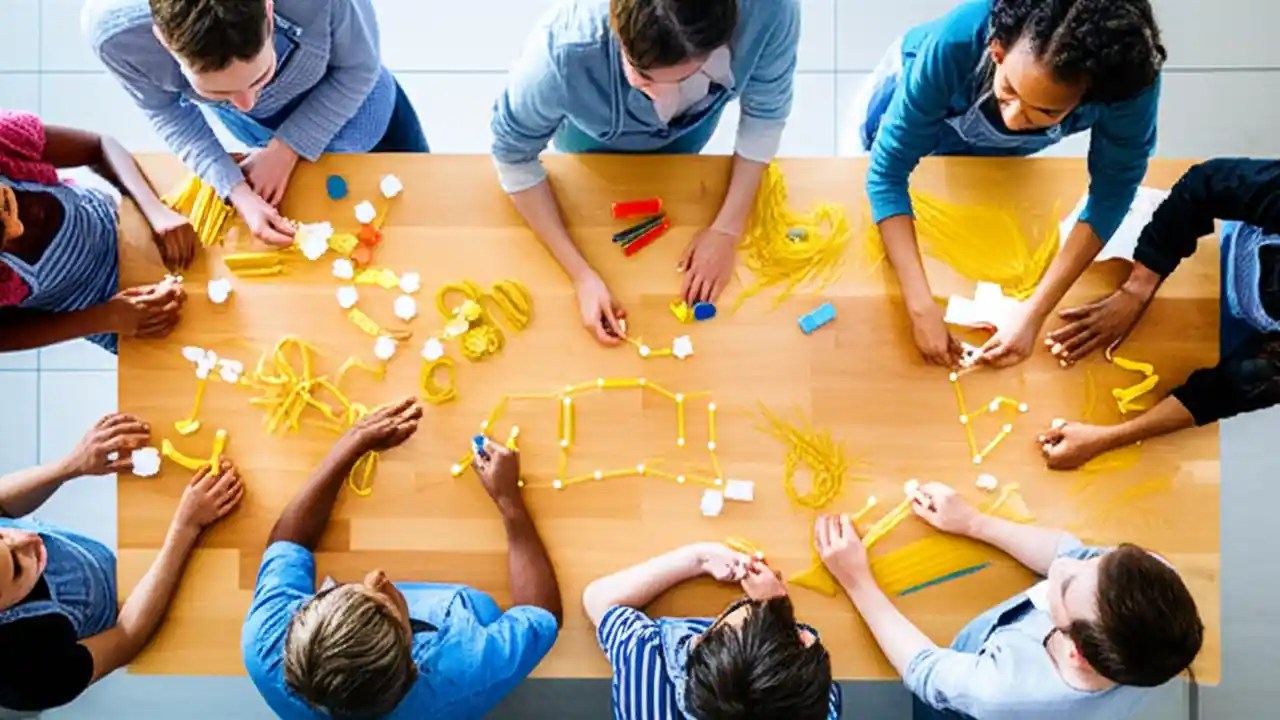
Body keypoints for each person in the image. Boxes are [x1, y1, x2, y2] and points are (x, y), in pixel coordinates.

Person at [852, 0, 1166, 368]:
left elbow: (1112, 194)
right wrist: (921, 307)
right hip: (914, 100)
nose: (1016, 119)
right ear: (997, 51)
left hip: (997, 160)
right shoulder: (957, 42)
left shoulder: (1125, 85)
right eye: (1009, 89)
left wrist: (1034, 312)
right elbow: (886, 172)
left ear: (1092, 98)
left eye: (1047, 112)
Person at [491, 0, 799, 344]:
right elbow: (512, 156)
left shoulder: (770, 11)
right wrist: (581, 276)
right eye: (642, 77)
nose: (662, 99)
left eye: (686, 78)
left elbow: (765, 116)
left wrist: (727, 229)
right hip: (589, 148)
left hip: (686, 149)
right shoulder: (560, 58)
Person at [242, 399, 563, 719]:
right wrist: (509, 501)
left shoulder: (267, 644)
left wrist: (353, 442)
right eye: (386, 605)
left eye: (341, 590)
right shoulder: (459, 671)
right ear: (411, 658)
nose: (378, 577)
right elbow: (542, 615)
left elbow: (288, 545)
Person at [815, 482, 1202, 720]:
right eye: (1099, 562)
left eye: (1065, 589)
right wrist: (973, 522)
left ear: (1077, 653)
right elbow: (1072, 555)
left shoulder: (1006, 693)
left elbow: (926, 670)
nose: (1065, 563)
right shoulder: (1151, 579)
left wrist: (857, 580)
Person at [85, 0, 429, 247]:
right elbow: (164, 110)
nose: (248, 103)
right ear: (162, 39)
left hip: (368, 111)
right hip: (264, 139)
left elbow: (359, 69)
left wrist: (286, 148)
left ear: (268, 10)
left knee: (426, 209)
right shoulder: (115, 35)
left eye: (261, 75)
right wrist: (234, 189)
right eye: (218, 92)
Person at [1038, 158, 1280, 469]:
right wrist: (1137, 289)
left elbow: (1230, 391)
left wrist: (1107, 438)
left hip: (1245, 336)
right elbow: (1203, 186)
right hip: (1213, 253)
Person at [0, 413, 243, 713]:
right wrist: (186, 526)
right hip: (116, 612)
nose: (28, 538)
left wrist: (70, 466)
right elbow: (127, 635)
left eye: (2, 535)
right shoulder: (26, 675)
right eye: (17, 567)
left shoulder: (21, 541)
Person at [0, 110, 191, 355]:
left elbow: (101, 146)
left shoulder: (5, 141)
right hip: (95, 312)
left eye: (7, 203)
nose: (18, 230)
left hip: (124, 222)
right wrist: (106, 318)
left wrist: (154, 211)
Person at [583, 542, 841, 719]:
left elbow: (597, 599)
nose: (807, 636)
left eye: (740, 607)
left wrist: (699, 558)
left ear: (697, 642)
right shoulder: (818, 705)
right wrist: (777, 605)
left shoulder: (643, 663)